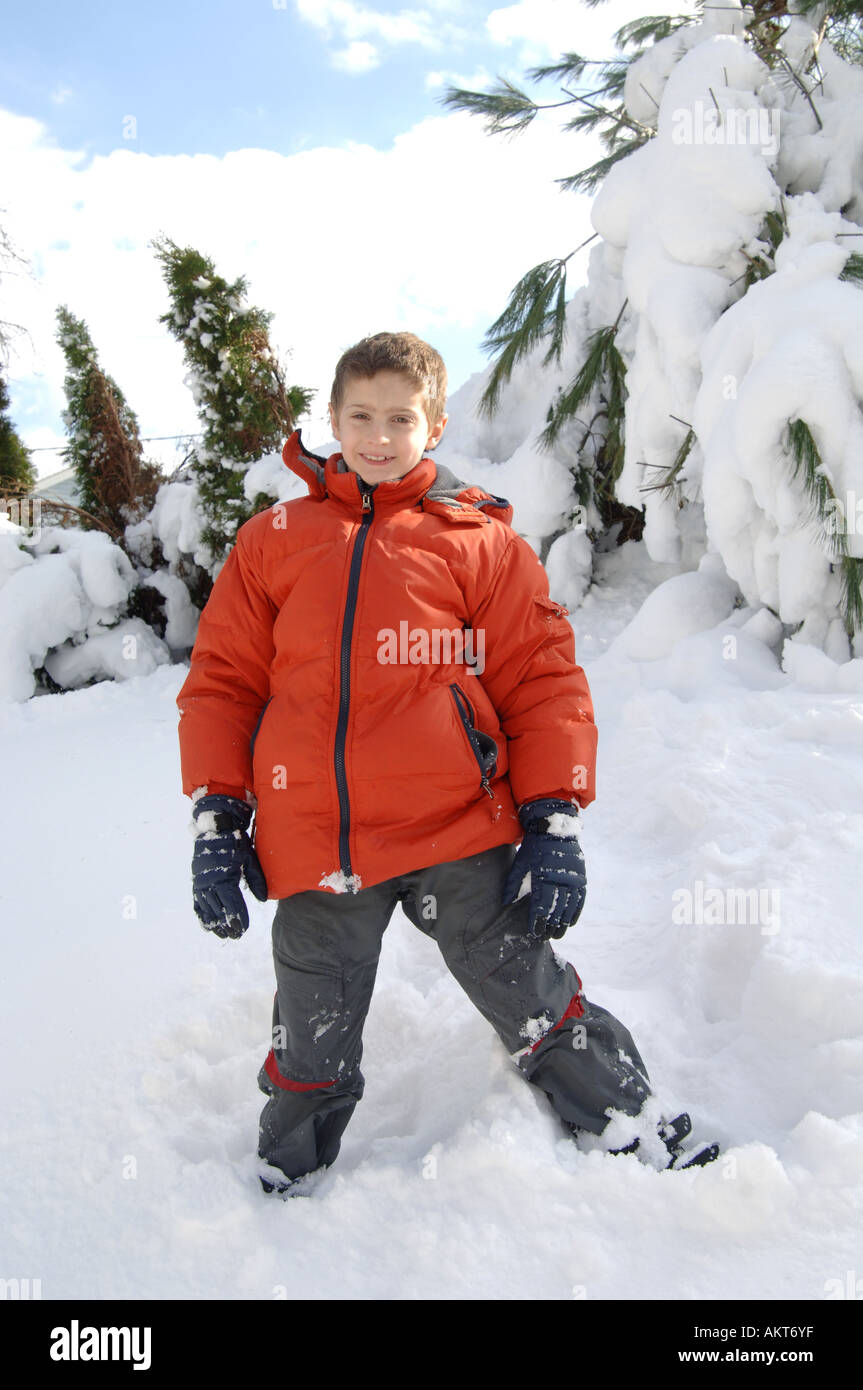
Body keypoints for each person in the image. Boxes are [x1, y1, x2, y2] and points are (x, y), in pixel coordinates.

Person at [177, 330, 717, 1196]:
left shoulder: (478, 542)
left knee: (527, 989)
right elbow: (222, 687)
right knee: (311, 1032)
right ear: (332, 419)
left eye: (400, 418)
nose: (378, 436)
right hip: (318, 841)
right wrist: (218, 814)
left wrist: (552, 818)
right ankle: (285, 1177)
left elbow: (540, 681)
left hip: (454, 829)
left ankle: (626, 1122)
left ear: (433, 425)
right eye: (360, 416)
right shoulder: (273, 541)